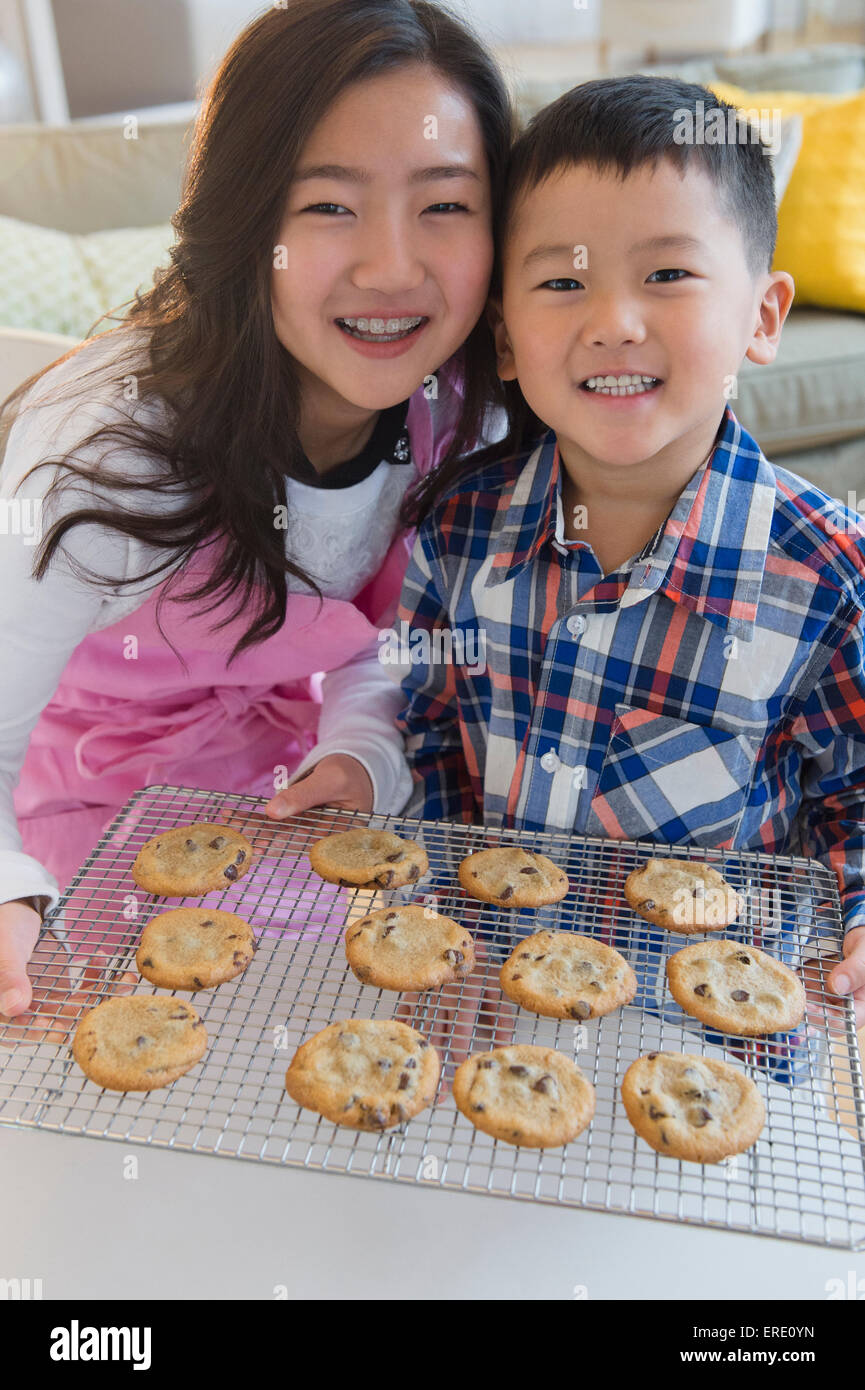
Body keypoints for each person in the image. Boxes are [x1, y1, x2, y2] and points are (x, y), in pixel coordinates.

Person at [0, 0, 513, 1031]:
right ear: (246, 220)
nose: (390, 268)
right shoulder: (105, 449)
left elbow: (393, 639)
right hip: (91, 798)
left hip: (294, 785)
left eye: (444, 206)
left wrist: (364, 754)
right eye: (329, 206)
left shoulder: (467, 411)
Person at [395, 75, 865, 1051]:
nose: (612, 319)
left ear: (762, 317)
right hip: (494, 1007)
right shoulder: (456, 530)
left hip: (712, 1043)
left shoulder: (828, 574)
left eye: (667, 275)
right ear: (507, 339)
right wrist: (450, 919)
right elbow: (432, 735)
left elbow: (854, 798)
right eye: (562, 283)